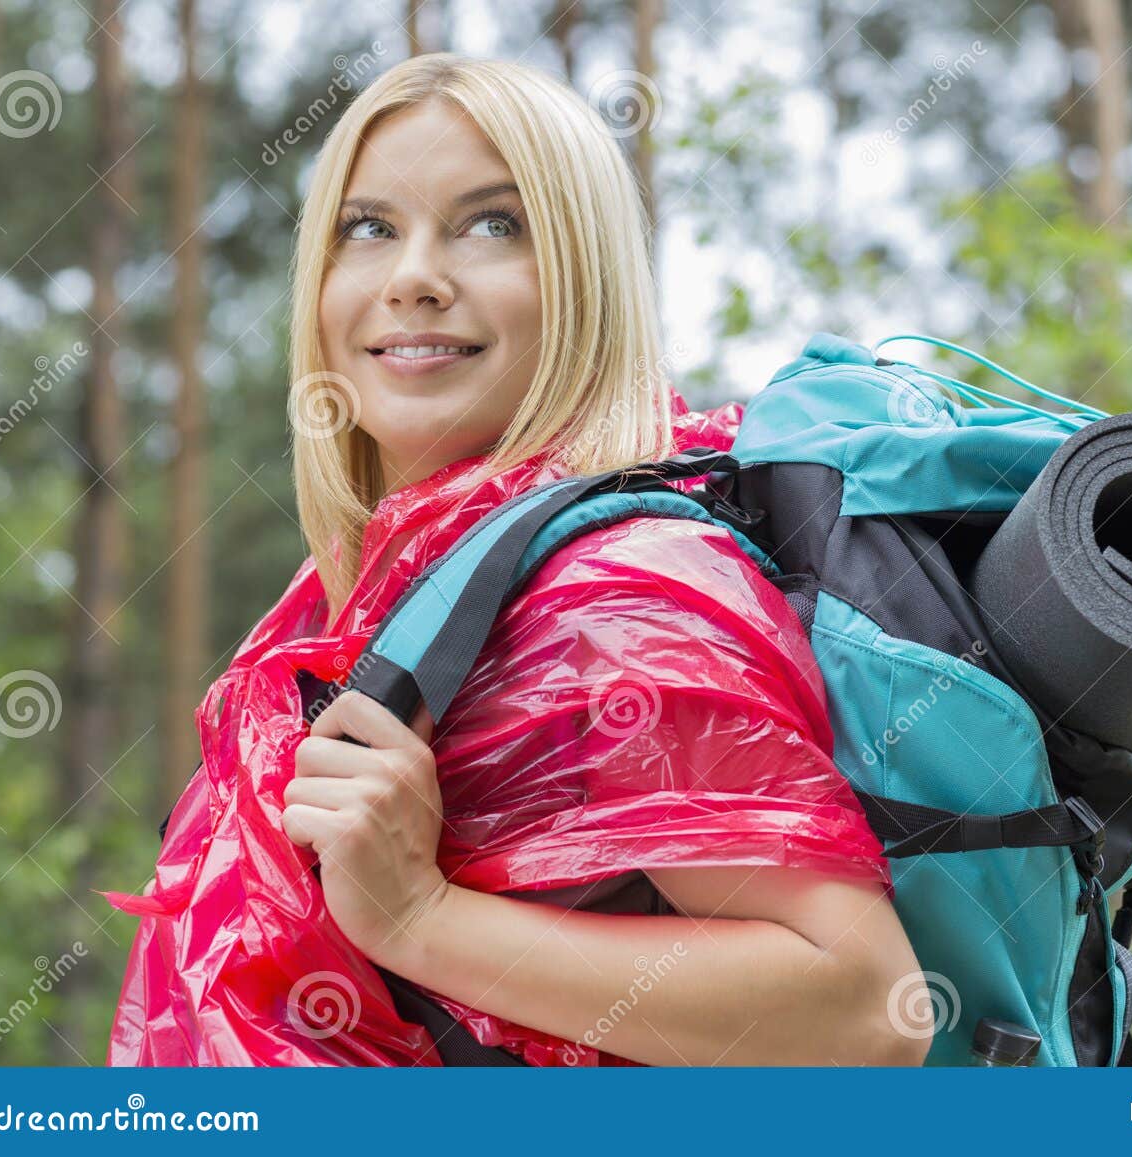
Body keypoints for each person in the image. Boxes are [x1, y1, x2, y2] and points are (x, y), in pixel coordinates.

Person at [266, 53, 927, 1067]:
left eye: (495, 223)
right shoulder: (356, 596)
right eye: (370, 227)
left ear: (584, 275)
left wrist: (417, 918)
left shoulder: (621, 592)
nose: (413, 279)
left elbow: (867, 1013)